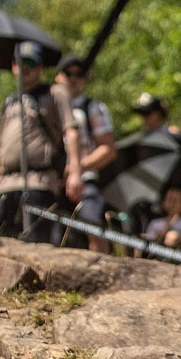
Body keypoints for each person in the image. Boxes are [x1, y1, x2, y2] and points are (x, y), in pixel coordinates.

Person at [0, 41, 81, 241]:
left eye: (31, 63)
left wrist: (75, 172)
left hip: (39, 180)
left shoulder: (53, 93)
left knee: (36, 239)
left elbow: (71, 131)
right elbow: (3, 146)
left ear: (41, 68)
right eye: (20, 62)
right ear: (13, 66)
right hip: (6, 183)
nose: (25, 68)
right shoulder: (9, 101)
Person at [55, 54, 117, 253]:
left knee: (93, 229)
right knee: (56, 237)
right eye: (68, 73)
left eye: (79, 74)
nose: (73, 78)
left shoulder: (92, 107)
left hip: (86, 181)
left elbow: (108, 148)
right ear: (58, 76)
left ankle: (105, 277)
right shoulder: (49, 105)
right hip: (53, 182)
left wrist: (76, 168)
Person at [146, 184, 181, 249]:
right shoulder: (155, 223)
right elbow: (147, 240)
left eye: (175, 201)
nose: (172, 204)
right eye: (169, 199)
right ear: (163, 203)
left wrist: (177, 239)